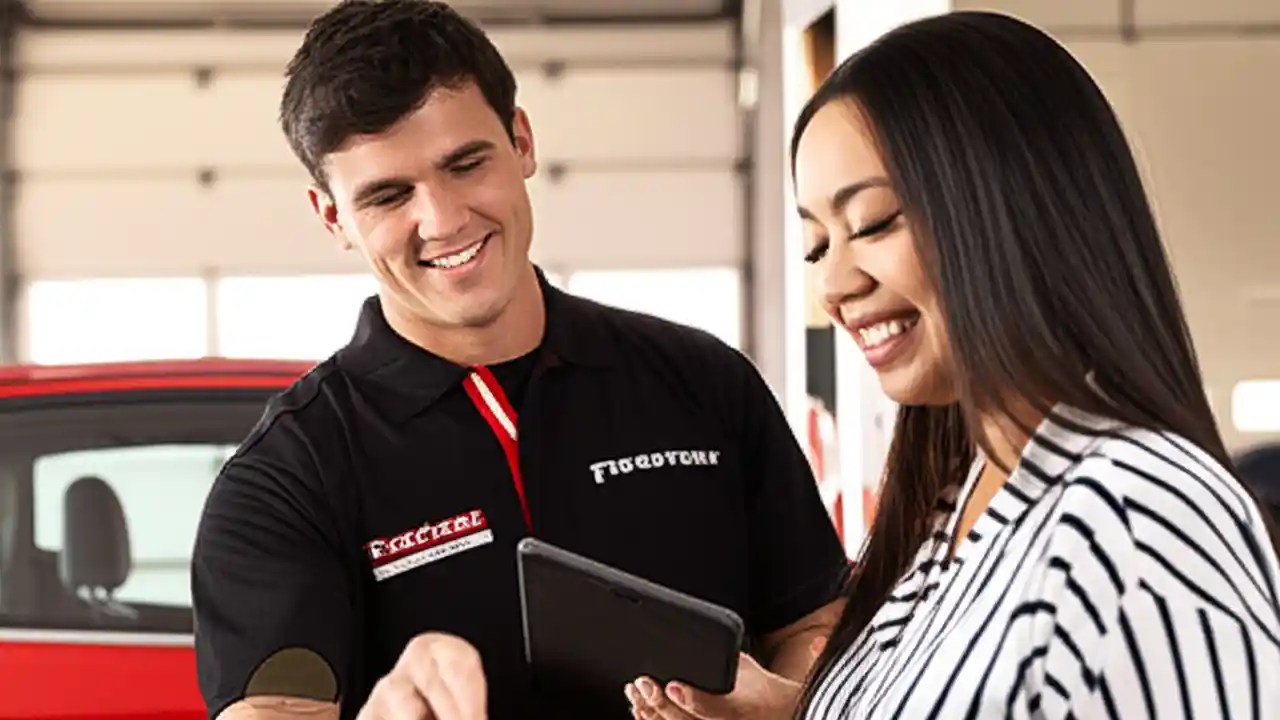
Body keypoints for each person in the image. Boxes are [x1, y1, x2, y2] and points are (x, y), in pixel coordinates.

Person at [190, 1, 848, 719]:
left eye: (466, 164)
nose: (442, 220)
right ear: (332, 218)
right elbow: (273, 711)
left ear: (523, 141)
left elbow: (814, 622)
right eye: (388, 195)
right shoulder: (288, 478)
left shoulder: (704, 383)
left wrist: (788, 706)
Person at [629, 10, 1280, 720]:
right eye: (818, 245)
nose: (835, 285)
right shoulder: (950, 507)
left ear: (1011, 205)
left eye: (873, 223)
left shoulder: (1140, 517)